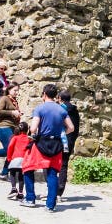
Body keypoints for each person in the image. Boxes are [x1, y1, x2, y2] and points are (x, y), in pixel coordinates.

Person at [21, 83, 75, 212]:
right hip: (56, 144)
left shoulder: (40, 109)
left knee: (27, 168)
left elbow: (33, 128)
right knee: (52, 173)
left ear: (44, 94)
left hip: (41, 143)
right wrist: (60, 133)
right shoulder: (62, 110)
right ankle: (50, 205)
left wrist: (31, 133)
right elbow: (71, 128)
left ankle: (30, 198)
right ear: (55, 95)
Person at [56, 90, 80, 198]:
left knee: (49, 163)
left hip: (60, 139)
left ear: (60, 98)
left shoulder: (60, 109)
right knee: (64, 164)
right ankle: (60, 191)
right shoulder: (75, 110)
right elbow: (76, 128)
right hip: (70, 141)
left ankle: (53, 188)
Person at [6, 121, 31, 200]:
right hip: (24, 160)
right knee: (21, 176)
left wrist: (9, 158)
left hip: (15, 158)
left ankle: (13, 189)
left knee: (12, 173)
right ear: (27, 130)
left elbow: (10, 147)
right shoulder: (28, 138)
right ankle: (20, 193)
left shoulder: (15, 137)